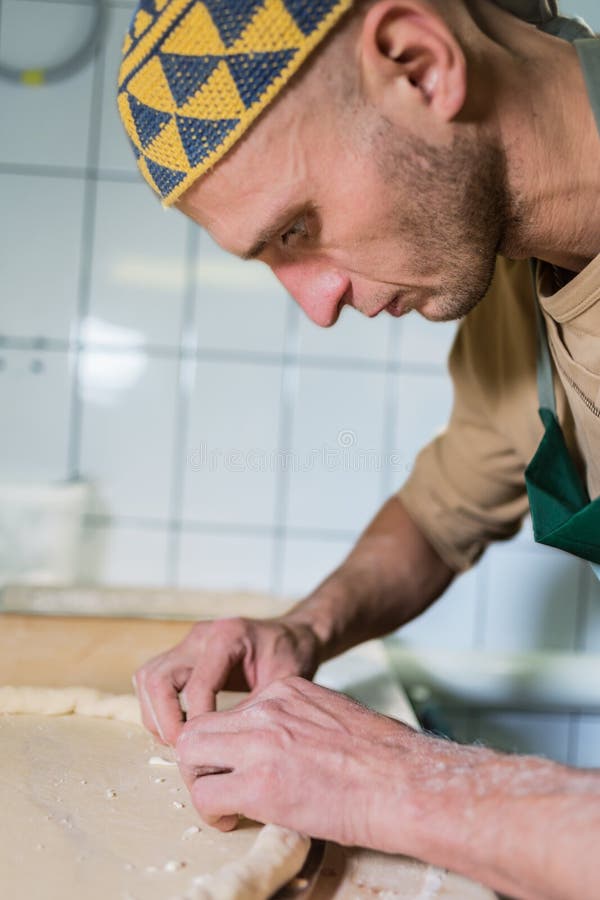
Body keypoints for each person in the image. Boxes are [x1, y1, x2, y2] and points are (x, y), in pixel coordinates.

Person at [118, 1, 600, 897]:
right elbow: (445, 505)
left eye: (297, 229)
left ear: (418, 63)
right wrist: (306, 627)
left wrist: (405, 784)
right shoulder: (519, 270)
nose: (318, 303)